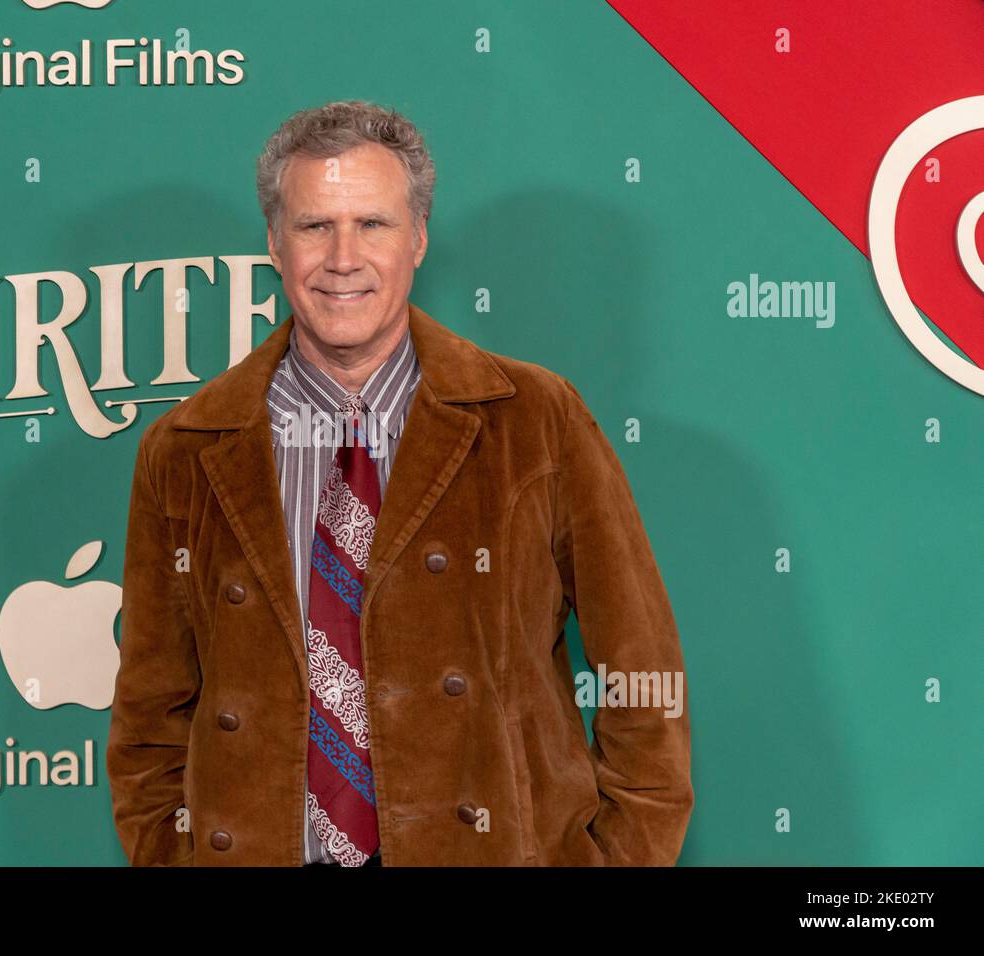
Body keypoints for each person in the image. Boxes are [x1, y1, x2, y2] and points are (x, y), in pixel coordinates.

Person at [106, 100, 693, 867]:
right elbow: (149, 716)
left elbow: (642, 673)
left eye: (373, 225)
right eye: (315, 226)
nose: (343, 258)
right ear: (275, 243)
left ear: (417, 238)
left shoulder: (534, 419)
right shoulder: (185, 448)